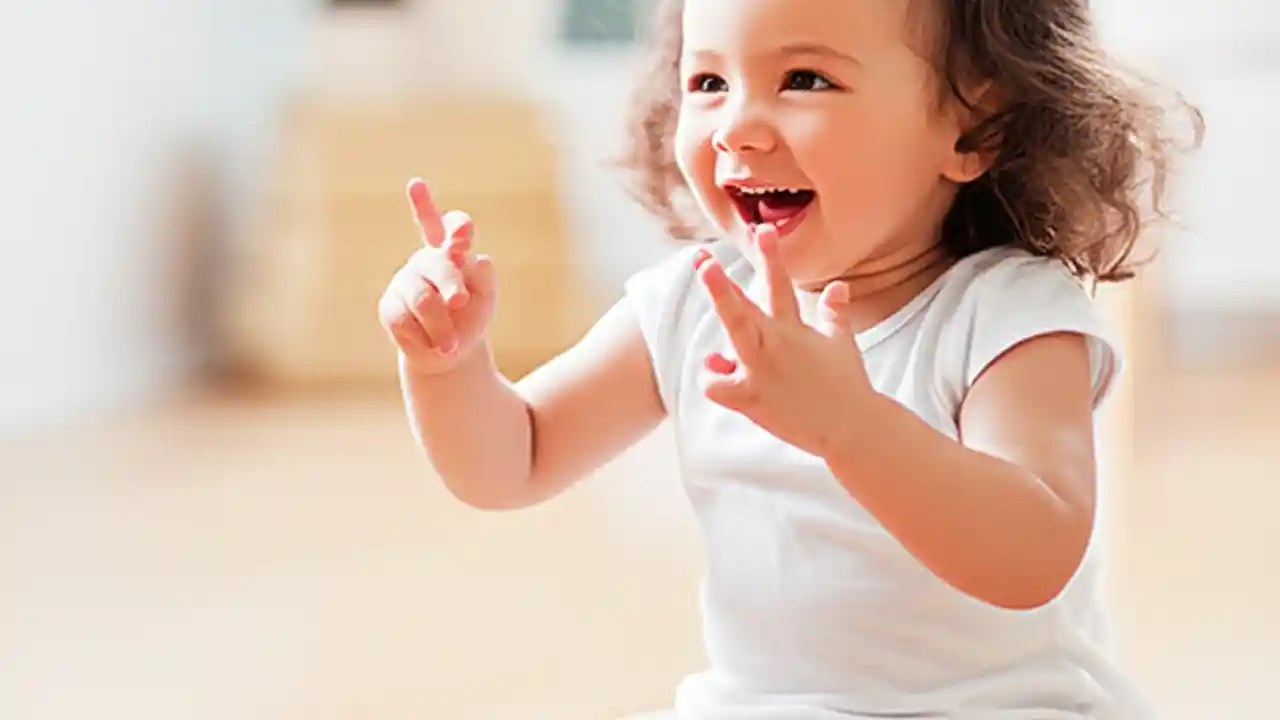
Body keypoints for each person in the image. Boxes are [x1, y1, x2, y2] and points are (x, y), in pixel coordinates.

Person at [377, 0, 1202, 716]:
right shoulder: (695, 302)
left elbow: (1035, 553)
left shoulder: (1007, 316)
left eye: (804, 79)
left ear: (972, 126)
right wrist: (449, 367)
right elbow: (513, 460)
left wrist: (851, 427)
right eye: (708, 82)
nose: (737, 123)